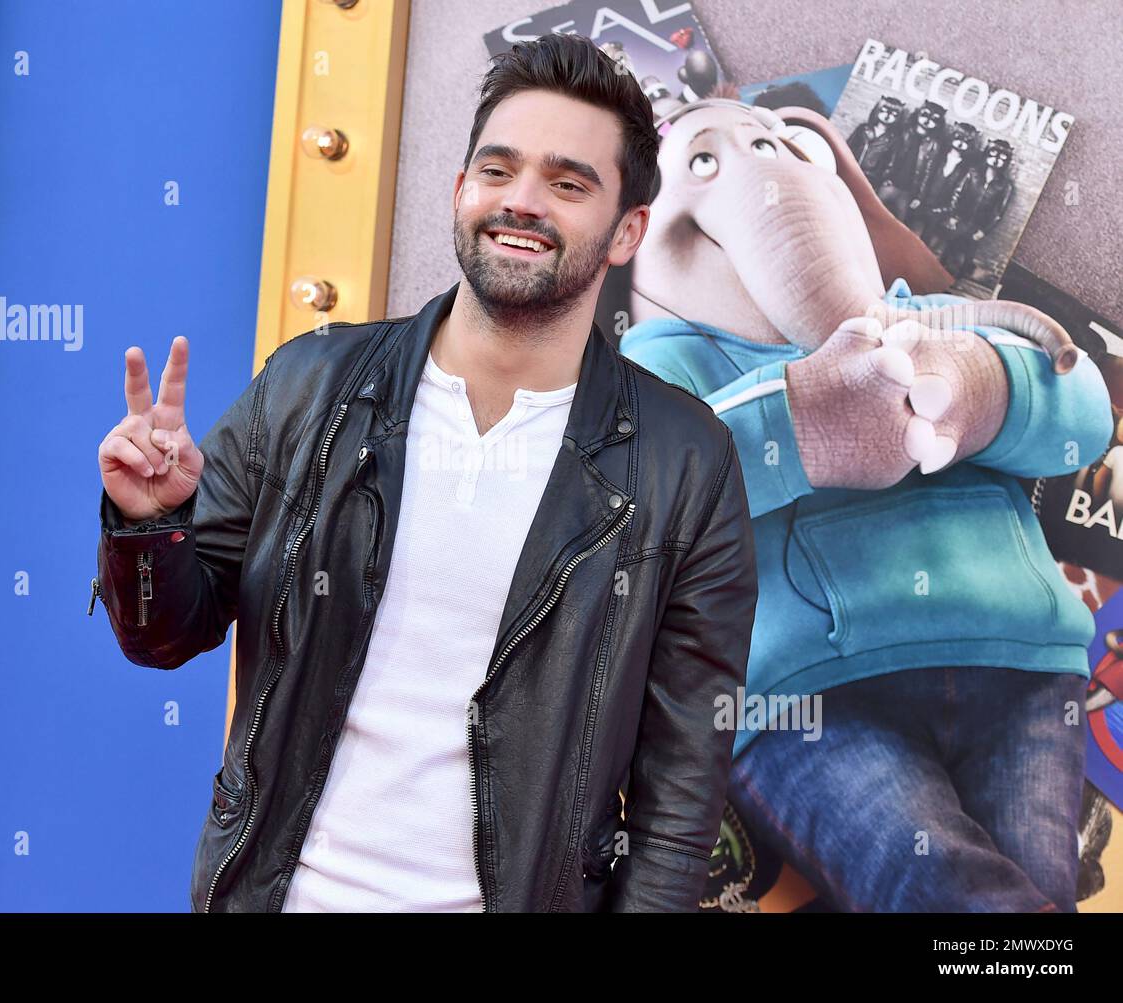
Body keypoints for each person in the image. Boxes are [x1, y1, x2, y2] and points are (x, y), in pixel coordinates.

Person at [92, 32, 758, 913]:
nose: (521, 203)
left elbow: (681, 793)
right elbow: (162, 635)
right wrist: (149, 525)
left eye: (567, 183)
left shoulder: (684, 461)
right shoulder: (310, 385)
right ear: (460, 190)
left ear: (628, 229)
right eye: (497, 170)